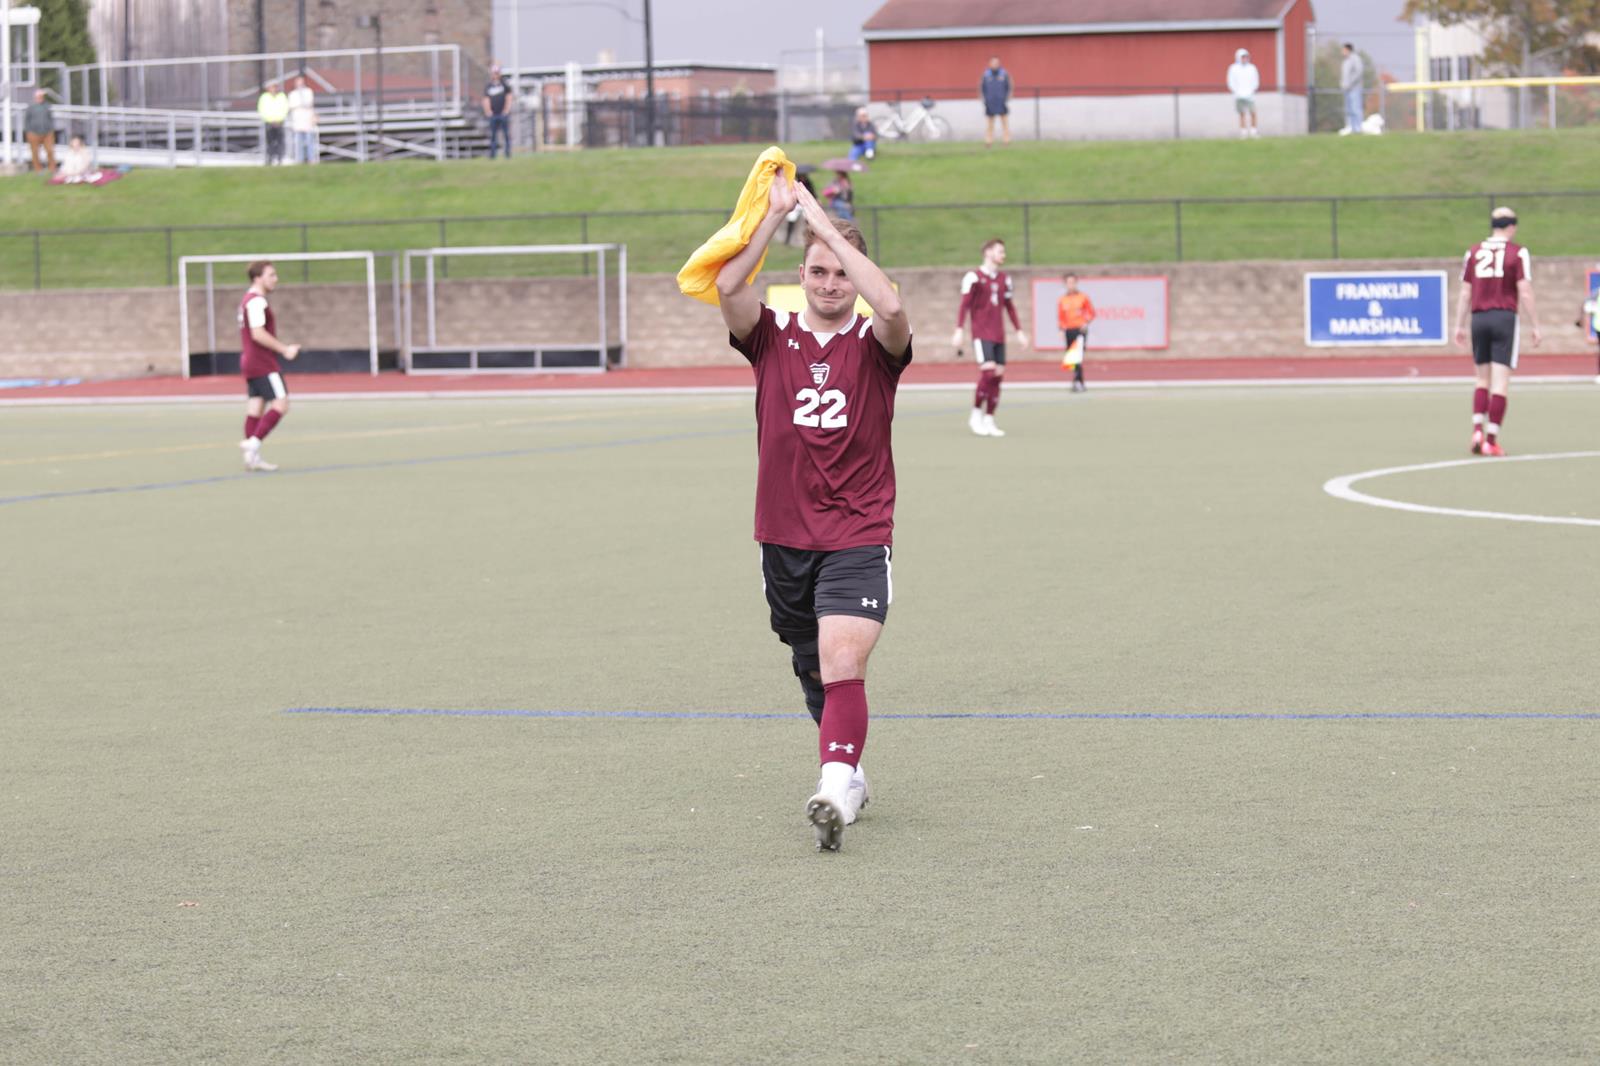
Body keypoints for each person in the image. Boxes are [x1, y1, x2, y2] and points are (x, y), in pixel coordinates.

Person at [713, 169, 912, 853]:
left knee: (842, 658)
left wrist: (826, 223)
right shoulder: (771, 335)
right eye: (819, 271)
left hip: (857, 530)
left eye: (840, 272)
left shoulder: (876, 346)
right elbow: (728, 290)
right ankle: (848, 772)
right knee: (810, 664)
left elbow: (890, 306)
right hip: (784, 534)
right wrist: (776, 215)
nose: (830, 283)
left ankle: (831, 785)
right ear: (803, 275)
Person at [1453, 207, 1541, 457]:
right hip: (1504, 317)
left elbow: (1465, 292)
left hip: (1478, 318)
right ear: (1512, 226)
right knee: (1500, 383)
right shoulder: (1517, 252)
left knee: (1481, 378)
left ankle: (1476, 430)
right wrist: (1535, 323)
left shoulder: (1473, 251)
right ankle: (1491, 439)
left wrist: (1459, 324)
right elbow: (1524, 290)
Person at [953, 238, 1027, 437]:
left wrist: (1019, 331)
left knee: (998, 377)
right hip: (981, 334)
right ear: (988, 252)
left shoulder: (1005, 279)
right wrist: (959, 329)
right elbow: (964, 305)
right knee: (987, 374)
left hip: (999, 335)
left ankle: (989, 419)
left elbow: (1009, 307)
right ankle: (975, 414)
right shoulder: (973, 277)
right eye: (999, 251)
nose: (1003, 255)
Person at [237, 261, 302, 471]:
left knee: (255, 407)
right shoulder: (256, 302)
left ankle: (252, 458)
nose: (275, 279)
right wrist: (284, 349)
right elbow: (258, 333)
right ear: (258, 278)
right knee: (281, 404)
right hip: (263, 362)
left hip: (250, 361)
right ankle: (253, 443)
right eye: (271, 275)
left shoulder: (247, 300)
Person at [1057, 273, 1096, 392]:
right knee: (1071, 358)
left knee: (1078, 356)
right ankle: (1079, 381)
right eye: (1068, 283)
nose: (1071, 285)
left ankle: (1077, 381)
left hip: (1080, 330)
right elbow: (1061, 317)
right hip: (1069, 330)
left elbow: (1091, 312)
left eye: (1073, 282)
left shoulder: (1083, 297)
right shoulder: (1062, 300)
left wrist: (1086, 322)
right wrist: (1061, 330)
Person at [1227, 48, 1260, 139]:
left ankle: (1253, 131)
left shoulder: (1252, 68)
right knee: (1242, 113)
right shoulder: (1233, 68)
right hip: (1239, 95)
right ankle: (1243, 132)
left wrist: (1252, 90)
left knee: (1253, 112)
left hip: (1250, 95)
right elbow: (1231, 82)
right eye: (1242, 57)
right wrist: (1236, 92)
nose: (1244, 59)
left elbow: (1255, 80)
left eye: (1246, 57)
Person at [981, 57, 1012, 147]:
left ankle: (1006, 141)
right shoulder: (986, 75)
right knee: (989, 124)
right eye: (992, 63)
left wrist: (1006, 98)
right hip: (990, 102)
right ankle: (988, 141)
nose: (994, 64)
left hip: (1001, 102)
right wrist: (985, 99)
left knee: (1005, 123)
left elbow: (1009, 87)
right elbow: (982, 88)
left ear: (999, 64)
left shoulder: (1004, 74)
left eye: (996, 63)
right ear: (990, 64)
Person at [484, 63, 512, 159]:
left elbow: (509, 97)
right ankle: (493, 154)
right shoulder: (488, 86)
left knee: (506, 134)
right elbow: (486, 99)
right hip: (493, 115)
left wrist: (506, 110)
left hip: (503, 114)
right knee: (493, 135)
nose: (495, 75)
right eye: (494, 73)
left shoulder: (504, 85)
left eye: (497, 73)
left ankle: (507, 153)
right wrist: (488, 111)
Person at [288, 76, 319, 164]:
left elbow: (308, 103)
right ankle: (299, 159)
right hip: (297, 121)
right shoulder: (292, 94)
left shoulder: (308, 92)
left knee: (310, 140)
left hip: (307, 120)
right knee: (298, 142)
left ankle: (311, 159)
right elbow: (292, 105)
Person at [24, 90, 56, 173]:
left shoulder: (47, 106)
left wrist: (51, 129)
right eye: (38, 96)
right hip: (33, 132)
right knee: (35, 152)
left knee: (50, 150)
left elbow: (50, 118)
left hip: (47, 132)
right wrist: (29, 131)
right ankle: (38, 169)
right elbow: (27, 119)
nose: (40, 98)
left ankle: (52, 168)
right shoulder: (31, 107)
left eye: (41, 96)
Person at [257, 80, 289, 165]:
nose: (273, 89)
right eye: (271, 87)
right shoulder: (264, 97)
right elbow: (262, 110)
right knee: (269, 142)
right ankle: (269, 159)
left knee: (280, 142)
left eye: (274, 87)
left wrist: (279, 120)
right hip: (269, 123)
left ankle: (280, 159)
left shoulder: (282, 96)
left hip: (280, 122)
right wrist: (270, 120)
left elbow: (285, 109)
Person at [784, 171, 817, 245]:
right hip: (796, 204)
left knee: (809, 220)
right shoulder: (795, 183)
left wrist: (816, 199)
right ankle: (788, 238)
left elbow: (812, 192)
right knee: (791, 219)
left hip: (804, 204)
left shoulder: (808, 182)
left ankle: (811, 237)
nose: (803, 177)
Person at [1339, 44, 1364, 136]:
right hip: (1346, 89)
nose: (1342, 52)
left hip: (1354, 88)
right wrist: (1343, 84)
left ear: (1348, 50)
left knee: (1355, 108)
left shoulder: (1355, 59)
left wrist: (1350, 83)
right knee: (1349, 109)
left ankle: (1358, 128)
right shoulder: (1345, 61)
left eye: (1343, 50)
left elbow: (1359, 72)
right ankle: (1351, 127)